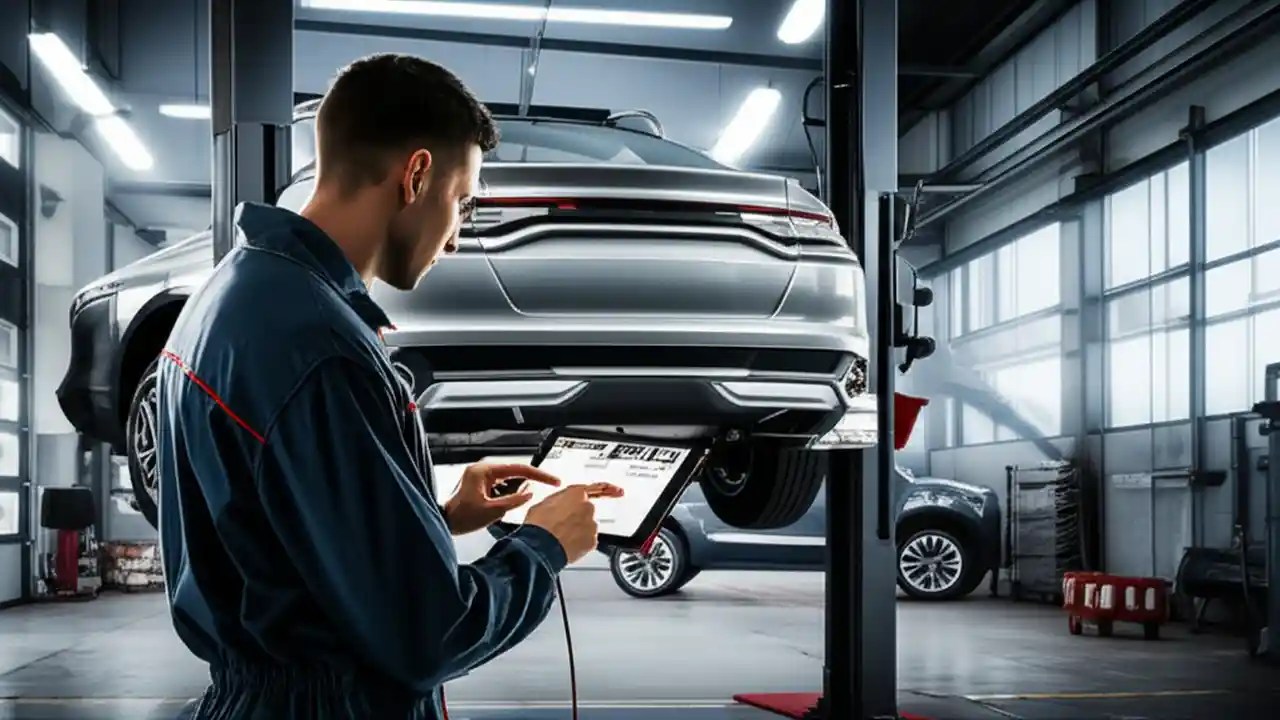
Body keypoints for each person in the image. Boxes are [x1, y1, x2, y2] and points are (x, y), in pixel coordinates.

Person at [155, 53, 623, 719]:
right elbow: (427, 634)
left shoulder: (232, 293)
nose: (455, 238)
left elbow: (278, 536)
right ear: (417, 175)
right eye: (462, 202)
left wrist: (438, 515)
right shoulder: (321, 348)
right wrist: (544, 547)